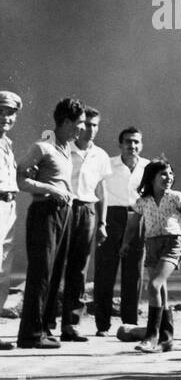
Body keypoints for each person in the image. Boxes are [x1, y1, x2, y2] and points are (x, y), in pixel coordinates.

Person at [15, 97, 84, 349]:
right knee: (40, 273)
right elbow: (20, 177)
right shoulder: (43, 147)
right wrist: (50, 189)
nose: (82, 128)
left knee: (55, 273)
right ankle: (30, 335)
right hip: (44, 212)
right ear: (66, 122)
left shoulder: (66, 149)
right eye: (79, 123)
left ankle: (44, 328)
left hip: (62, 213)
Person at [48, 106, 112, 342]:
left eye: (95, 125)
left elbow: (101, 191)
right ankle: (46, 322)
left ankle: (71, 324)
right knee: (54, 264)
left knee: (79, 269)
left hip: (87, 210)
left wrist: (103, 222)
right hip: (64, 207)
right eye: (86, 124)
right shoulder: (63, 149)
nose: (90, 129)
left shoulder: (101, 156)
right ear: (78, 124)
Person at [131, 158, 181, 353]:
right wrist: (125, 244)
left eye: (171, 173)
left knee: (153, 285)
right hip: (151, 245)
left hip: (171, 244)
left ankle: (151, 336)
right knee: (160, 290)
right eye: (163, 174)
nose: (168, 177)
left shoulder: (176, 197)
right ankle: (167, 338)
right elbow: (133, 225)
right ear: (151, 178)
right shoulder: (142, 202)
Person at [93, 126, 146, 337]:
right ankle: (102, 325)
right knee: (105, 271)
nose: (131, 146)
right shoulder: (108, 164)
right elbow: (98, 189)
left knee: (133, 273)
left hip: (137, 218)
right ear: (120, 144)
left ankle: (130, 323)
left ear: (141, 145)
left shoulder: (148, 167)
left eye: (136, 142)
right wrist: (102, 221)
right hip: (112, 216)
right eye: (127, 142)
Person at [0, 91, 21, 350]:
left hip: (8, 205)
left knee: (3, 269)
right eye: (1, 111)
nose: (6, 117)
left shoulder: (7, 144)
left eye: (11, 112)